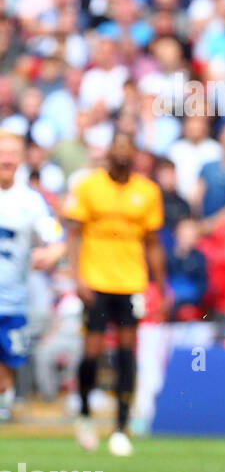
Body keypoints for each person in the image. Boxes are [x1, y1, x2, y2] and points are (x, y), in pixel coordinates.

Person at [64, 132, 167, 455]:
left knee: (127, 352)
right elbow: (74, 233)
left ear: (134, 154)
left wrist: (161, 286)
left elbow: (152, 242)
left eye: (127, 148)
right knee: (92, 351)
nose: (122, 153)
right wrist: (76, 275)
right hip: (95, 279)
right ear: (108, 153)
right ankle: (84, 414)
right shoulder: (89, 186)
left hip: (131, 282)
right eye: (117, 147)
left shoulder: (147, 191)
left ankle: (121, 426)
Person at [0, 131, 64, 421]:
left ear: (22, 158)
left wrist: (51, 254)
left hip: (12, 302)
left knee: (5, 374)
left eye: (12, 153)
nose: (6, 158)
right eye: (2, 152)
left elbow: (57, 240)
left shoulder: (31, 201)